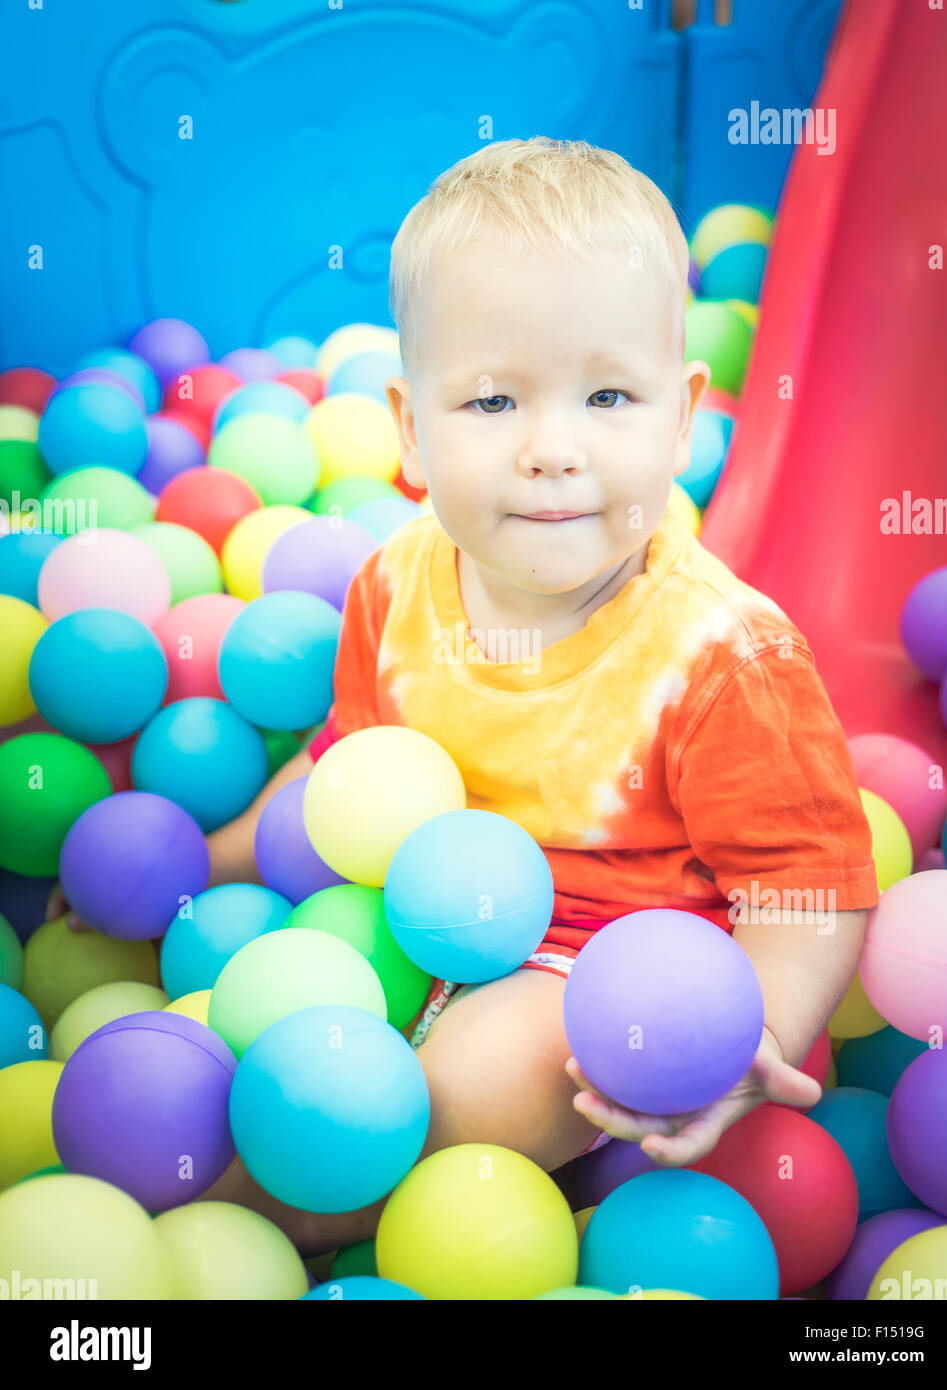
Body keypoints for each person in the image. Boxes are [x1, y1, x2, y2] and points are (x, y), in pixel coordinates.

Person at [47, 138, 879, 1257]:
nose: (550, 450)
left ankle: (267, 1222)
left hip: (602, 965)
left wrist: (752, 1032)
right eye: (491, 400)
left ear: (680, 421)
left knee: (482, 1076)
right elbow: (345, 768)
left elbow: (804, 890)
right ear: (406, 427)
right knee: (265, 1022)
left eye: (605, 395)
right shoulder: (395, 581)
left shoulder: (721, 655)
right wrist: (206, 863)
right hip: (402, 920)